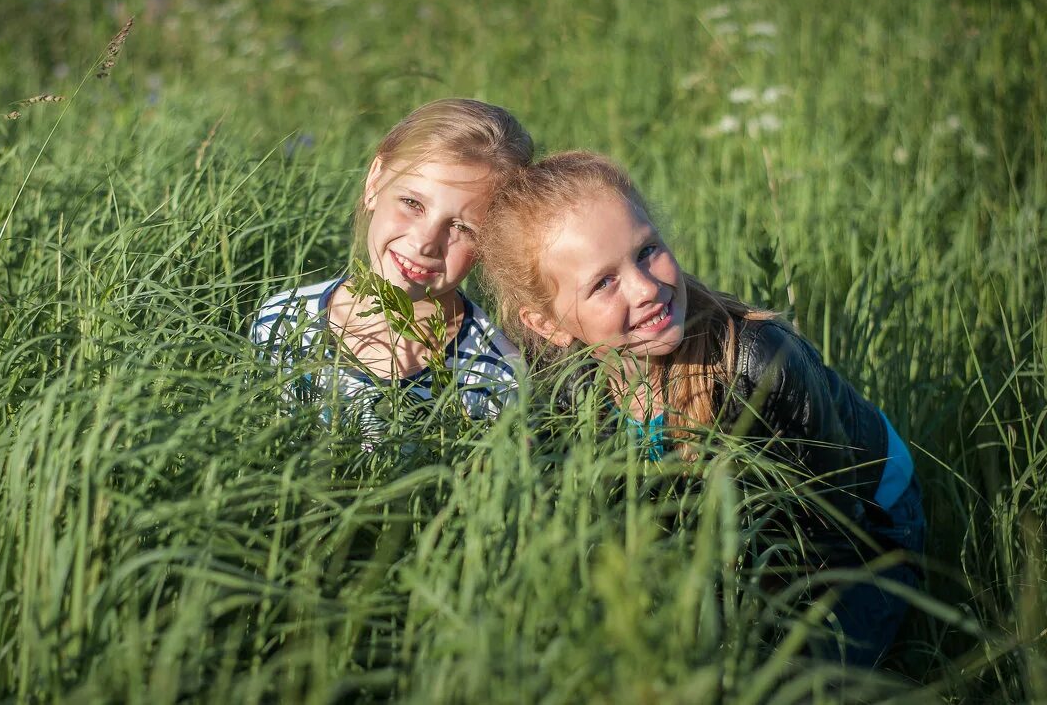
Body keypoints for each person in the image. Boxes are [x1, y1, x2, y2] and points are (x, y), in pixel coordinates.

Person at [480, 150, 924, 666]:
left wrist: (754, 622)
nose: (647, 289)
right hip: (736, 536)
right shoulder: (570, 390)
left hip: (869, 531)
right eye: (603, 283)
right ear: (548, 326)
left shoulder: (757, 360)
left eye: (647, 251)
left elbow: (834, 526)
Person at [251, 98, 533, 442]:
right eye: (413, 203)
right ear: (375, 182)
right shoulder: (283, 322)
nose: (427, 243)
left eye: (461, 227)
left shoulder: (496, 373)